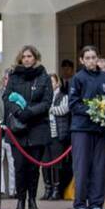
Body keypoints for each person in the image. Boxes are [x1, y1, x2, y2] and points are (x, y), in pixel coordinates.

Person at [4, 45, 52, 209]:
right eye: (24, 56)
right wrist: (18, 111)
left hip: (37, 127)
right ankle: (20, 199)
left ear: (35, 58)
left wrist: (29, 112)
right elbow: (6, 97)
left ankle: (32, 199)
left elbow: (47, 102)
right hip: (18, 128)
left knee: (33, 167)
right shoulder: (14, 76)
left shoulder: (44, 77)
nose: (26, 59)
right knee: (19, 166)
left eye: (29, 56)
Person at [69, 45, 105, 209]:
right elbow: (73, 104)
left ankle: (96, 204)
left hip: (100, 129)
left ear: (97, 59)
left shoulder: (104, 78)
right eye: (87, 58)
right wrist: (92, 110)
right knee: (81, 167)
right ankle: (80, 204)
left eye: (93, 57)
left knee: (99, 167)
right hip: (81, 129)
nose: (90, 61)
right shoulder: (77, 78)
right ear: (81, 60)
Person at [45, 72, 71, 201]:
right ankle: (47, 189)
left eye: (52, 82)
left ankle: (57, 190)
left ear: (57, 83)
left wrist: (48, 109)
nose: (50, 84)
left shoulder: (64, 96)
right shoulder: (44, 97)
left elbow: (63, 110)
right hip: (45, 135)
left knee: (57, 164)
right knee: (45, 163)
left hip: (58, 135)